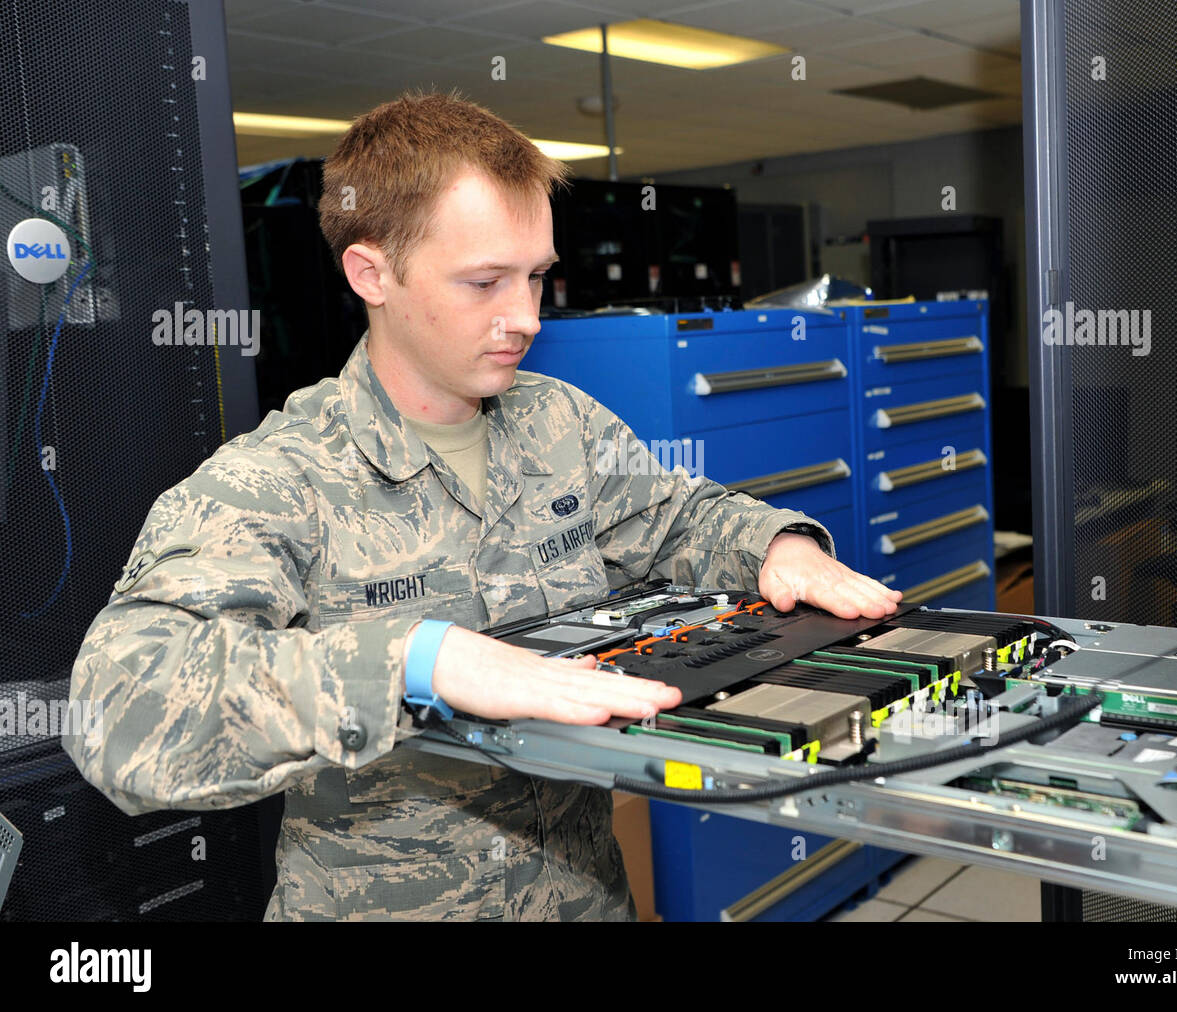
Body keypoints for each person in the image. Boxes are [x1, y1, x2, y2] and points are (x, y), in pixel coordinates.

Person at [65, 91, 901, 921]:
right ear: (371, 273)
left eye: (536, 276)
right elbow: (120, 711)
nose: (526, 317)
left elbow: (677, 519)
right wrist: (420, 662)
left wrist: (774, 547)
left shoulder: (558, 420)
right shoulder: (278, 480)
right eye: (484, 281)